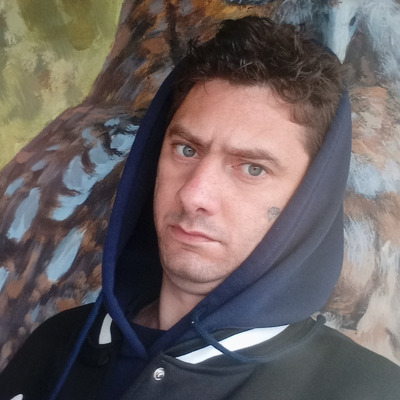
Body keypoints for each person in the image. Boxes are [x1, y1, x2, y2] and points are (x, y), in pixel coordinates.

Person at [1, 16, 400, 400]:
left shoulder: (370, 390)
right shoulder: (57, 344)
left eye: (252, 168)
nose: (195, 195)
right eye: (186, 150)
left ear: (309, 201)